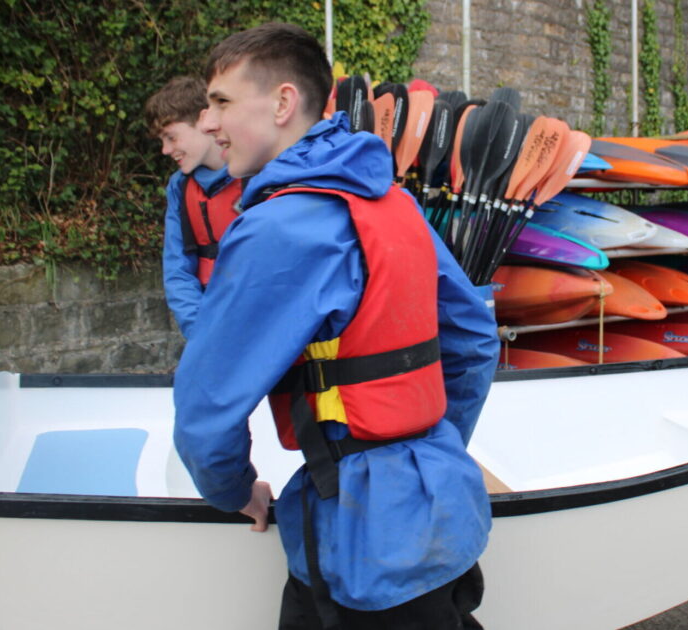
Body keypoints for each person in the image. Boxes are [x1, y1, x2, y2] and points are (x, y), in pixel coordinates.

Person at [171, 22, 500, 630]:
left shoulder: (277, 228)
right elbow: (474, 338)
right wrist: (431, 446)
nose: (208, 122)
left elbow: (205, 404)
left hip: (362, 541)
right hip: (444, 510)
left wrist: (235, 490)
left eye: (220, 102)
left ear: (283, 103)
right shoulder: (393, 201)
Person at [143, 75, 243, 338]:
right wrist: (201, 335)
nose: (165, 150)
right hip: (208, 324)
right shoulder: (180, 187)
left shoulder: (256, 174)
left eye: (171, 137)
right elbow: (177, 271)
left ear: (203, 120)